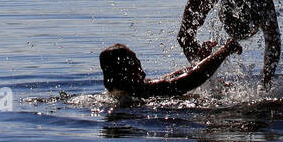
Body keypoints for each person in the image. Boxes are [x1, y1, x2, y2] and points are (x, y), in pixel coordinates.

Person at [99, 41, 241, 99]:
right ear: (128, 69)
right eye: (134, 60)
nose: (139, 62)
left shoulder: (124, 92)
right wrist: (224, 50)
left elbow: (173, 77)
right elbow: (191, 79)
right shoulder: (144, 92)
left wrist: (202, 60)